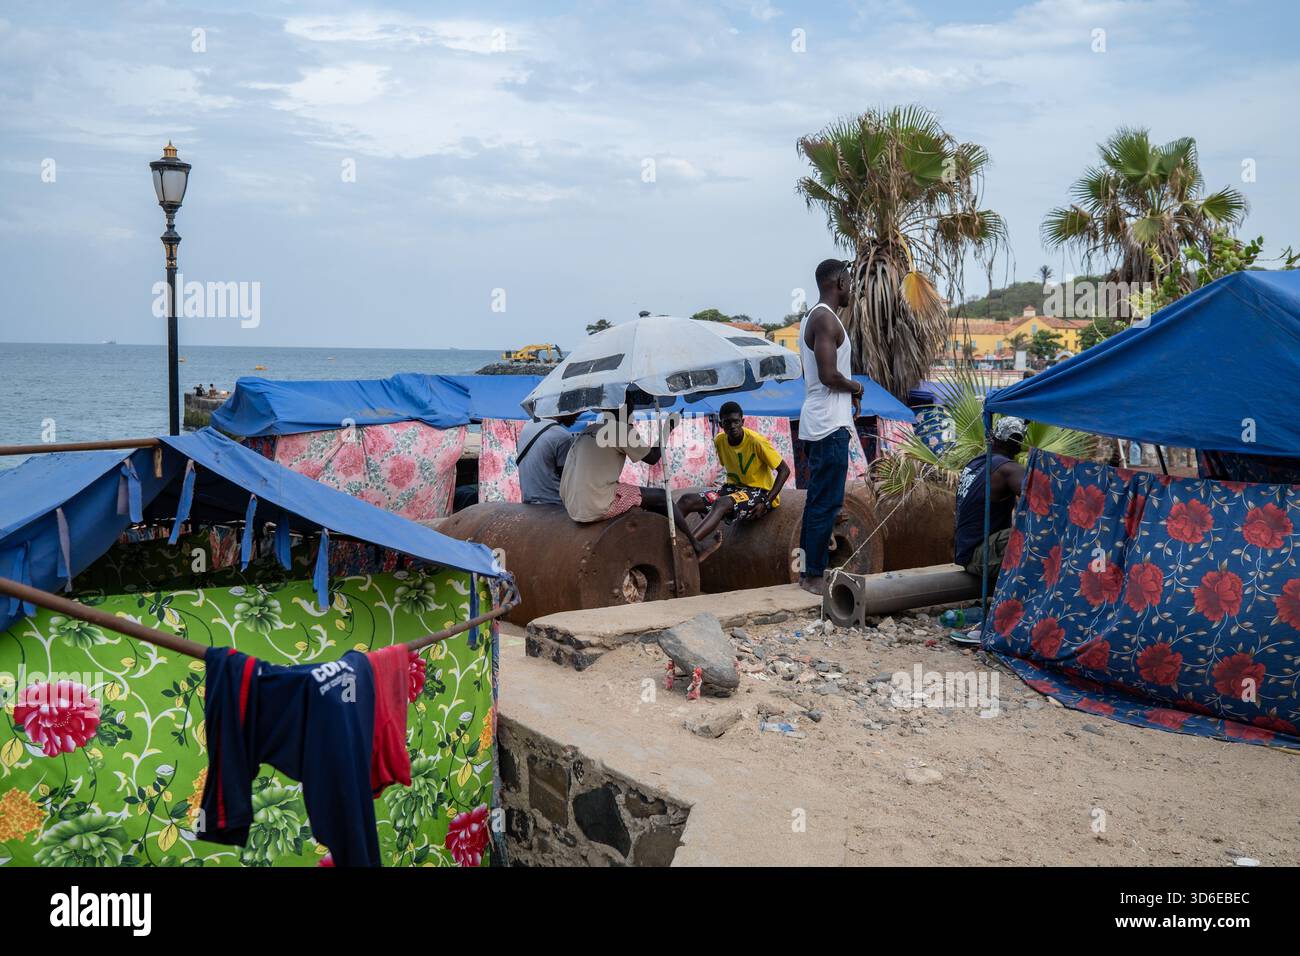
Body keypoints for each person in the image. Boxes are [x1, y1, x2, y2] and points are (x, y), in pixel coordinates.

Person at [796, 259, 864, 595]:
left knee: (817, 501)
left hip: (818, 421)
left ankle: (808, 570)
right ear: (838, 281)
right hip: (827, 425)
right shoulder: (825, 318)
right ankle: (812, 575)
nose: (851, 288)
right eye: (849, 281)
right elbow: (828, 375)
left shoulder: (814, 317)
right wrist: (856, 388)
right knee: (825, 502)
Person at [559, 396, 695, 543]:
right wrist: (668, 427)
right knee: (661, 496)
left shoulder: (589, 429)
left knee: (638, 494)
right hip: (595, 506)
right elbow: (653, 458)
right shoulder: (622, 430)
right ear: (628, 410)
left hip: (573, 506)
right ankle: (694, 543)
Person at [680, 401, 790, 558]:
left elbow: (784, 470)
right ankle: (664, 541)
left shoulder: (756, 441)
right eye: (727, 422)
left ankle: (687, 547)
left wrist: (766, 502)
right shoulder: (719, 441)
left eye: (736, 421)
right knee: (687, 500)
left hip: (758, 492)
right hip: (733, 489)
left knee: (721, 503)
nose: (732, 426)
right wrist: (704, 505)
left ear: (742, 422)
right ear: (721, 424)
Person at [953, 416, 1027, 581]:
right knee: (1037, 534)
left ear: (994, 437)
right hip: (982, 557)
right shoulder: (1009, 469)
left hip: (965, 553)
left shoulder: (976, 463)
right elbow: (1040, 502)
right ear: (1019, 444)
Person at [517, 413, 578, 505]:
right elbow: (567, 478)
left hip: (528, 500)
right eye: (576, 413)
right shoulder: (563, 436)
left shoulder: (528, 426)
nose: (577, 418)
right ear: (565, 411)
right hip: (555, 503)